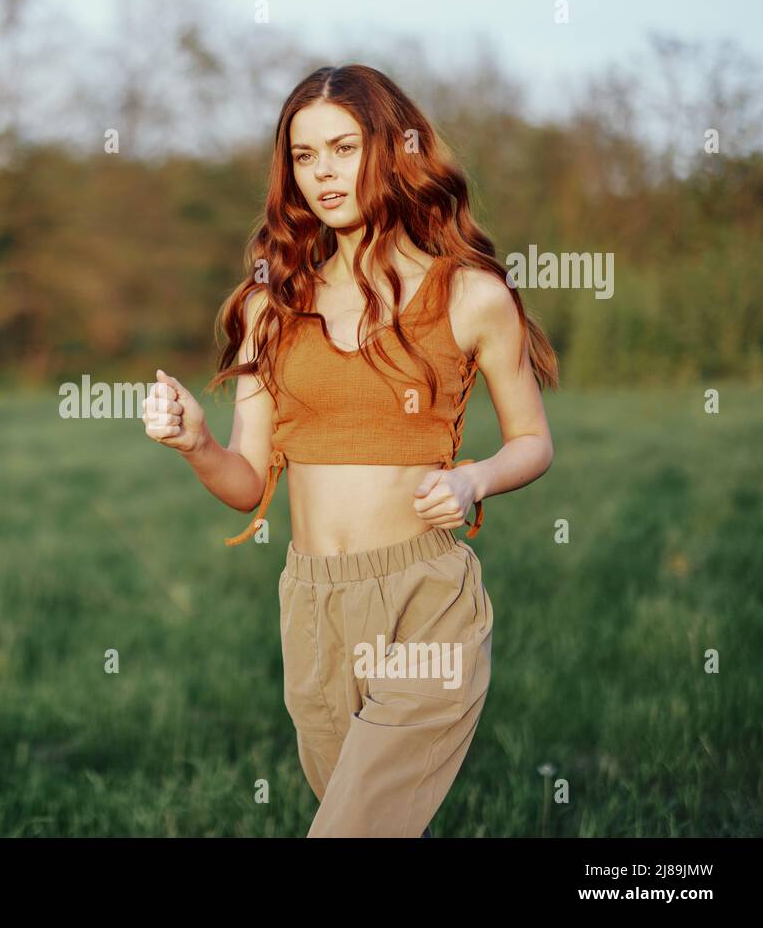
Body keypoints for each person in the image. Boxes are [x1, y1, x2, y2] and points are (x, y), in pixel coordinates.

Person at [141, 64, 559, 837]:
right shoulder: (275, 304)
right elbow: (244, 482)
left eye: (343, 147)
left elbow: (533, 441)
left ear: (392, 151)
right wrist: (196, 442)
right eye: (304, 156)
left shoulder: (468, 294)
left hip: (424, 599)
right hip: (311, 604)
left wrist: (475, 479)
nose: (323, 172)